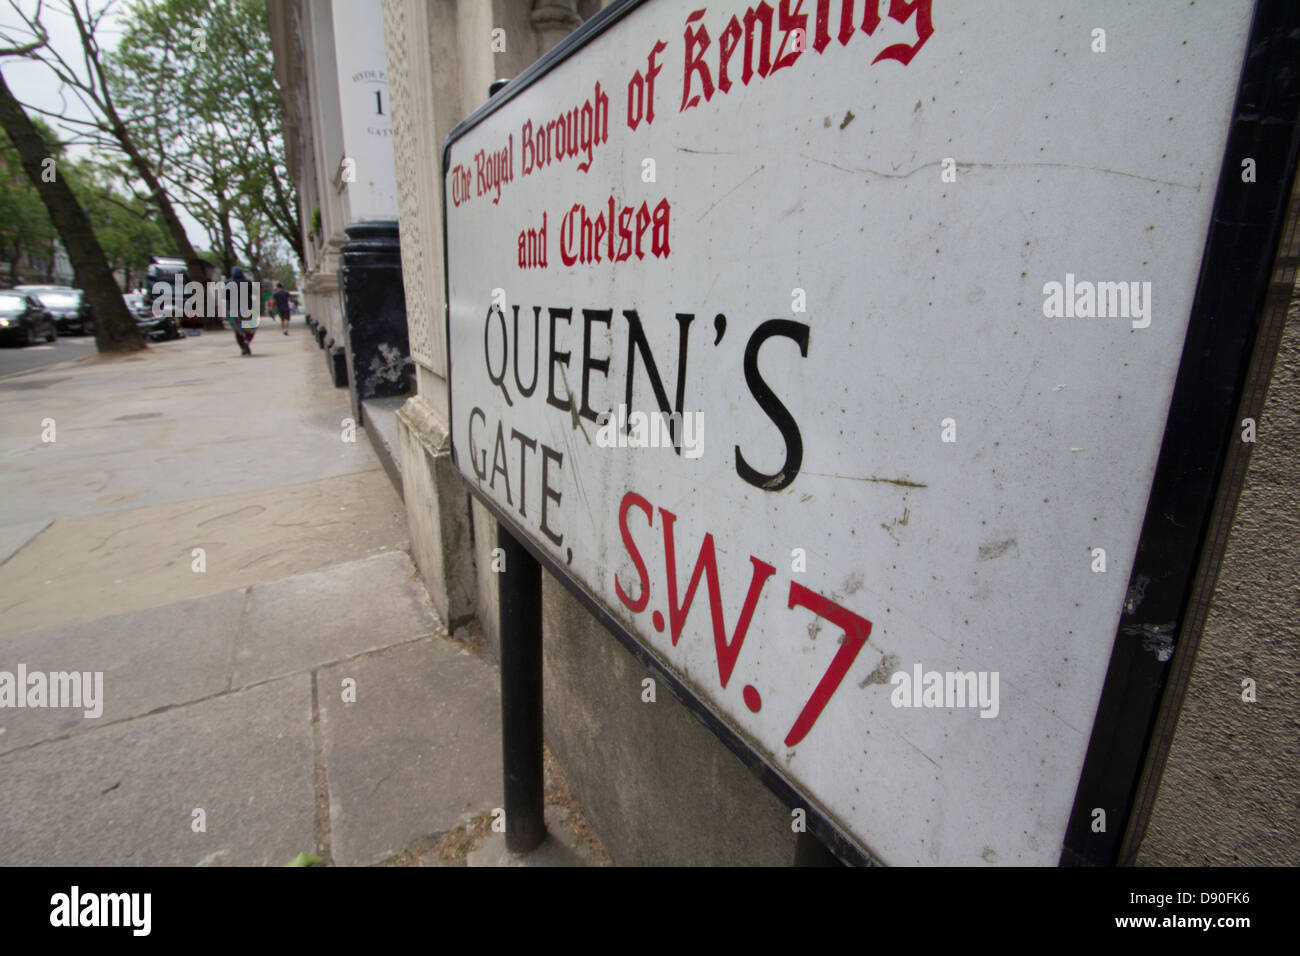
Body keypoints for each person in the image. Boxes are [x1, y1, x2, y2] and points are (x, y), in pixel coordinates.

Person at [226, 266, 258, 356]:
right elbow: (255, 293)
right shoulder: (248, 282)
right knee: (251, 328)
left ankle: (243, 348)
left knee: (237, 330)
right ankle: (247, 341)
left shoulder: (228, 283)